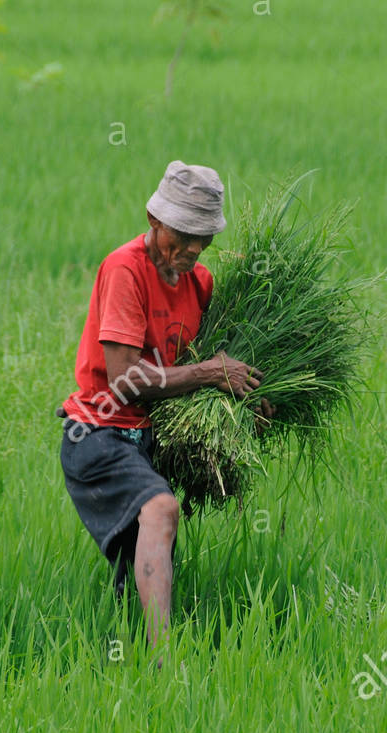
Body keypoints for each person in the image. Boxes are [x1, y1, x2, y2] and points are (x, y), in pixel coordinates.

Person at [57, 160, 275, 664]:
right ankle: (163, 661)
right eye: (184, 234)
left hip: (150, 440)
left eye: (204, 238)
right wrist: (210, 374)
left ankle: (122, 658)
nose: (195, 248)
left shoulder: (200, 284)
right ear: (155, 221)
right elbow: (125, 379)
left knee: (137, 567)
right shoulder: (125, 269)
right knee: (161, 509)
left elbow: (218, 368)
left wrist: (249, 400)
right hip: (99, 434)